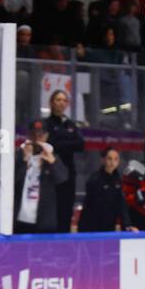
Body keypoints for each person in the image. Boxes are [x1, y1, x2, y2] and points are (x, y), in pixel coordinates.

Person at [13, 119, 70, 233]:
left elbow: (62, 179)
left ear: (46, 136)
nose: (37, 138)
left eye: (41, 134)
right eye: (33, 134)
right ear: (28, 135)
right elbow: (12, 181)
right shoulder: (19, 156)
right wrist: (24, 161)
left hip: (44, 222)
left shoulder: (52, 157)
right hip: (19, 221)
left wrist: (52, 162)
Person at [43, 89, 86, 234]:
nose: (61, 103)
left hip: (68, 173)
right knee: (51, 209)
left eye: (64, 100)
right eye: (58, 100)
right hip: (51, 173)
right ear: (51, 103)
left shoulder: (70, 124)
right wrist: (67, 141)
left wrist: (60, 143)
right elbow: (49, 143)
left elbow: (80, 144)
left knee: (66, 208)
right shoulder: (46, 124)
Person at [79, 147, 135, 232]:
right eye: (110, 158)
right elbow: (92, 207)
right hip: (91, 227)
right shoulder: (95, 180)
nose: (113, 162)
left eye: (116, 159)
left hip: (109, 226)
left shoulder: (118, 180)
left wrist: (127, 225)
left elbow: (121, 204)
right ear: (103, 160)